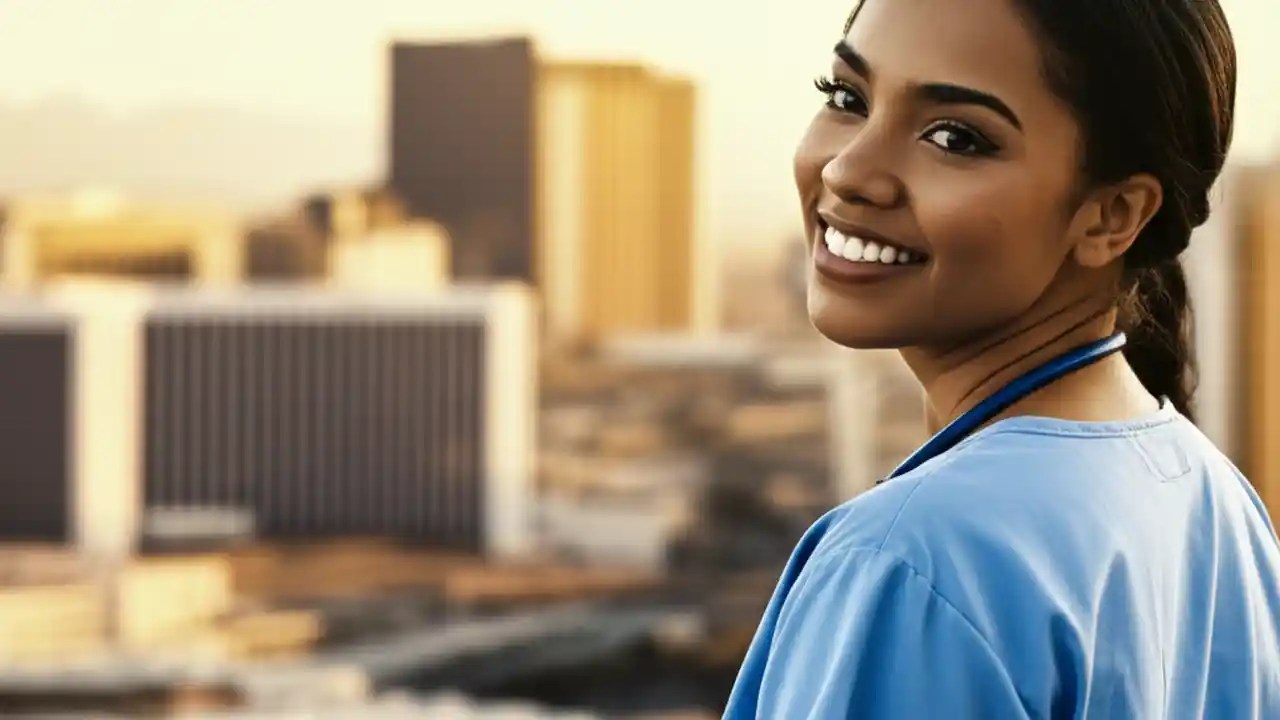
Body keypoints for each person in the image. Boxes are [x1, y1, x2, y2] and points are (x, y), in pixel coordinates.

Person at [723, 0, 1280, 717]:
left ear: (1113, 215)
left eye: (954, 137)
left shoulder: (914, 561)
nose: (850, 170)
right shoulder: (1213, 498)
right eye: (847, 98)